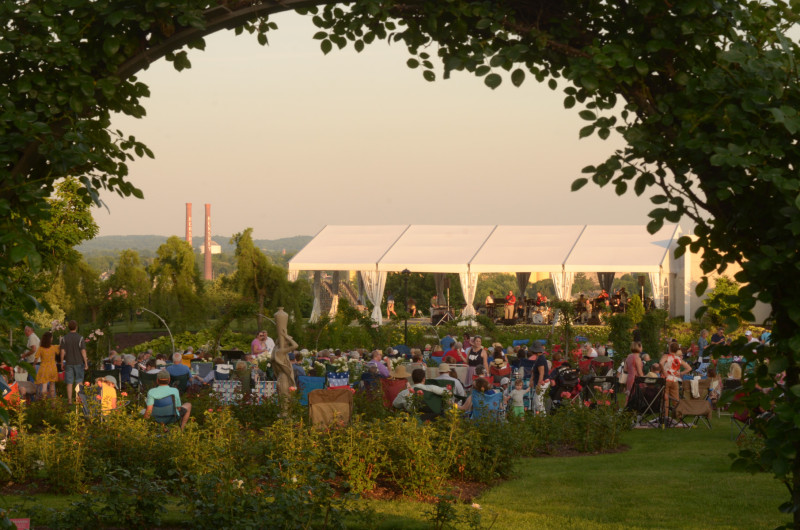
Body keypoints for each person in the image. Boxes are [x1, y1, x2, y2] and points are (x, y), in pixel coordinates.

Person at [60, 320, 88, 405]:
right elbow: (83, 351)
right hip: (78, 362)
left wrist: (62, 362)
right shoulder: (80, 338)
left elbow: (62, 352)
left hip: (68, 363)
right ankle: (79, 399)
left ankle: (69, 400)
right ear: (76, 327)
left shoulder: (64, 338)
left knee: (69, 382)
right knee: (79, 381)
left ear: (69, 327)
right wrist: (86, 363)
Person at [659, 342, 691, 414]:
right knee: (676, 399)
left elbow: (661, 363)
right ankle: (678, 416)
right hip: (675, 380)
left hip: (666, 379)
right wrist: (680, 373)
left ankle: (665, 416)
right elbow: (689, 368)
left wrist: (664, 371)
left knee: (665, 398)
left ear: (669, 348)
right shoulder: (678, 359)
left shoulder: (666, 356)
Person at [33, 331, 58, 399]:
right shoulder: (53, 347)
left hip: (44, 369)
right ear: (50, 339)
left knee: (44, 387)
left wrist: (34, 365)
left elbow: (36, 358)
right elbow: (61, 348)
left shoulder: (41, 348)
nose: (52, 339)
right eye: (51, 337)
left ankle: (45, 403)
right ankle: (53, 403)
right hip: (53, 368)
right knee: (52, 386)